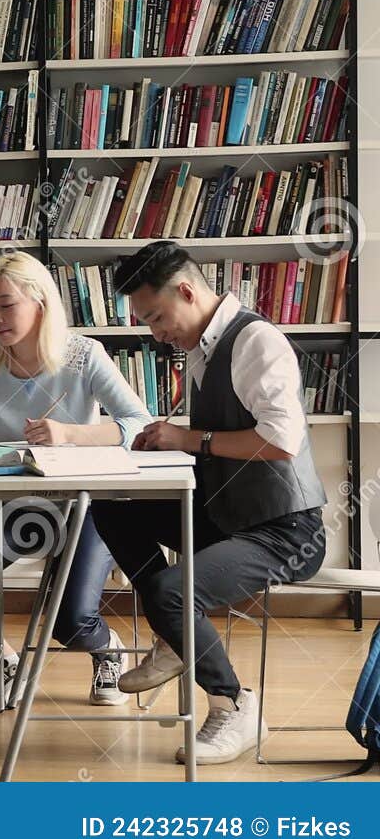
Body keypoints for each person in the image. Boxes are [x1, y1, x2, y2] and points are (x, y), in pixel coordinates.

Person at [95, 240, 327, 765]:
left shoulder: (255, 341)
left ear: (186, 289)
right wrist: (165, 442)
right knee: (110, 505)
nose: (156, 333)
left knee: (169, 591)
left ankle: (234, 704)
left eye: (157, 317)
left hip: (284, 529)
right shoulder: (202, 349)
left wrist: (187, 439)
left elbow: (280, 441)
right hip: (228, 515)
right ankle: (176, 638)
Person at [0, 251, 151, 710]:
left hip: (90, 506)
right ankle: (2, 657)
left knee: (71, 621)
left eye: (6, 305)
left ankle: (108, 649)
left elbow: (139, 425)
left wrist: (71, 434)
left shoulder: (82, 354)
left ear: (40, 302)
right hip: (19, 501)